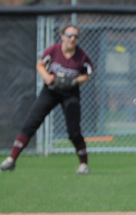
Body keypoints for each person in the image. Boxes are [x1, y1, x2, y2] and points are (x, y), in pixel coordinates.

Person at [1, 24, 94, 175]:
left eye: (75, 36)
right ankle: (12, 159)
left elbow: (87, 74)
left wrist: (75, 81)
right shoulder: (54, 50)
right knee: (30, 123)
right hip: (50, 91)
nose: (72, 39)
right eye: (69, 35)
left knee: (74, 131)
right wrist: (46, 76)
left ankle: (84, 165)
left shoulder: (82, 55)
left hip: (70, 94)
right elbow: (40, 65)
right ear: (62, 36)